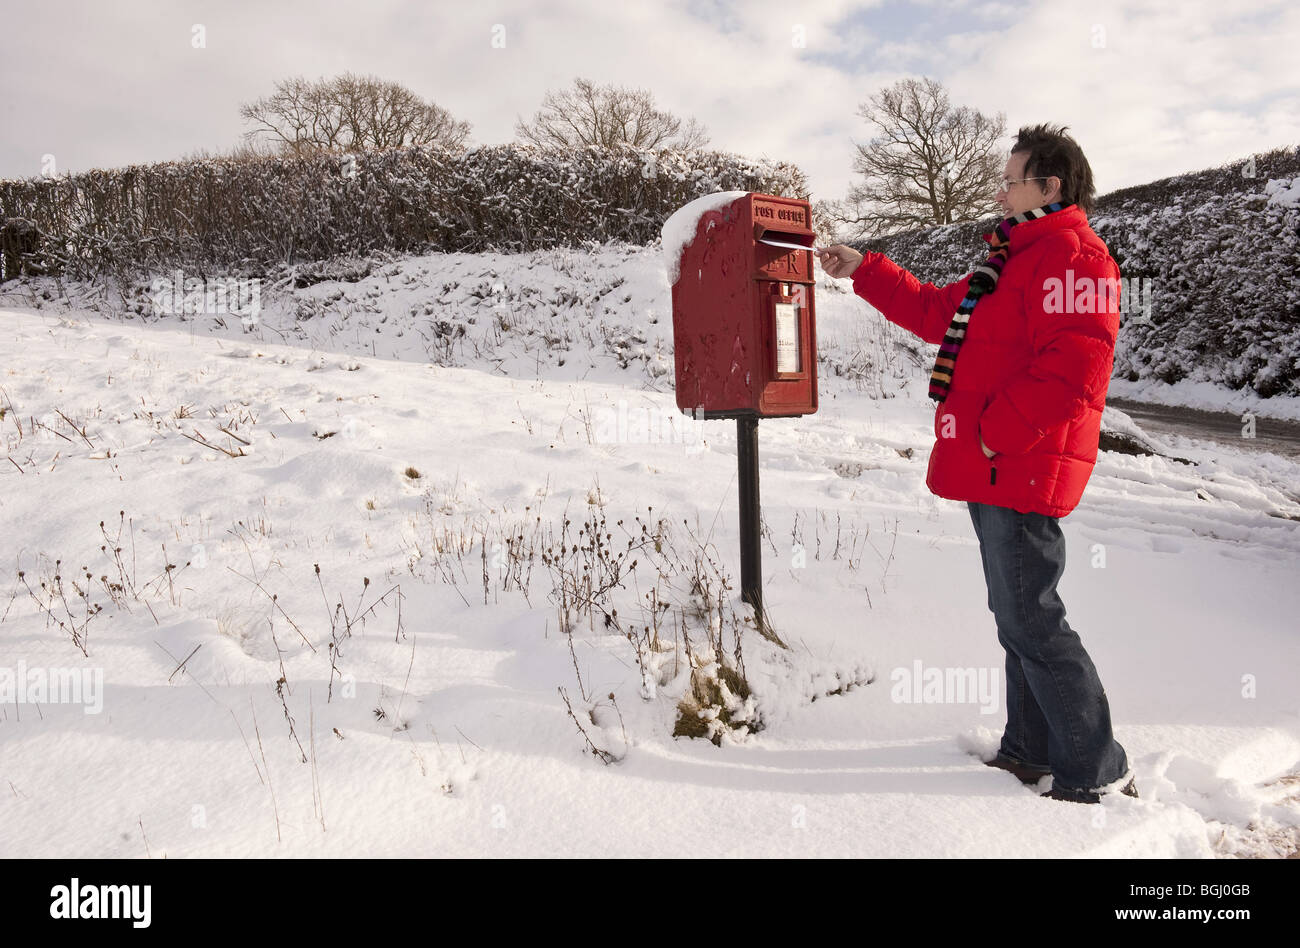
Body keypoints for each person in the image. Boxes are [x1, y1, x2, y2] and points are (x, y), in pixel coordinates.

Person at [817, 124, 1136, 804]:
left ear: (1048, 186)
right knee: (1016, 614)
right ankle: (1030, 749)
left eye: (1011, 178)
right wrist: (864, 268)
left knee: (1033, 618)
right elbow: (939, 312)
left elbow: (1075, 371)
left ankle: (1093, 766)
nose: (1000, 190)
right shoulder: (1013, 259)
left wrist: (992, 435)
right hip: (999, 467)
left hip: (1019, 465)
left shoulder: (1075, 258)